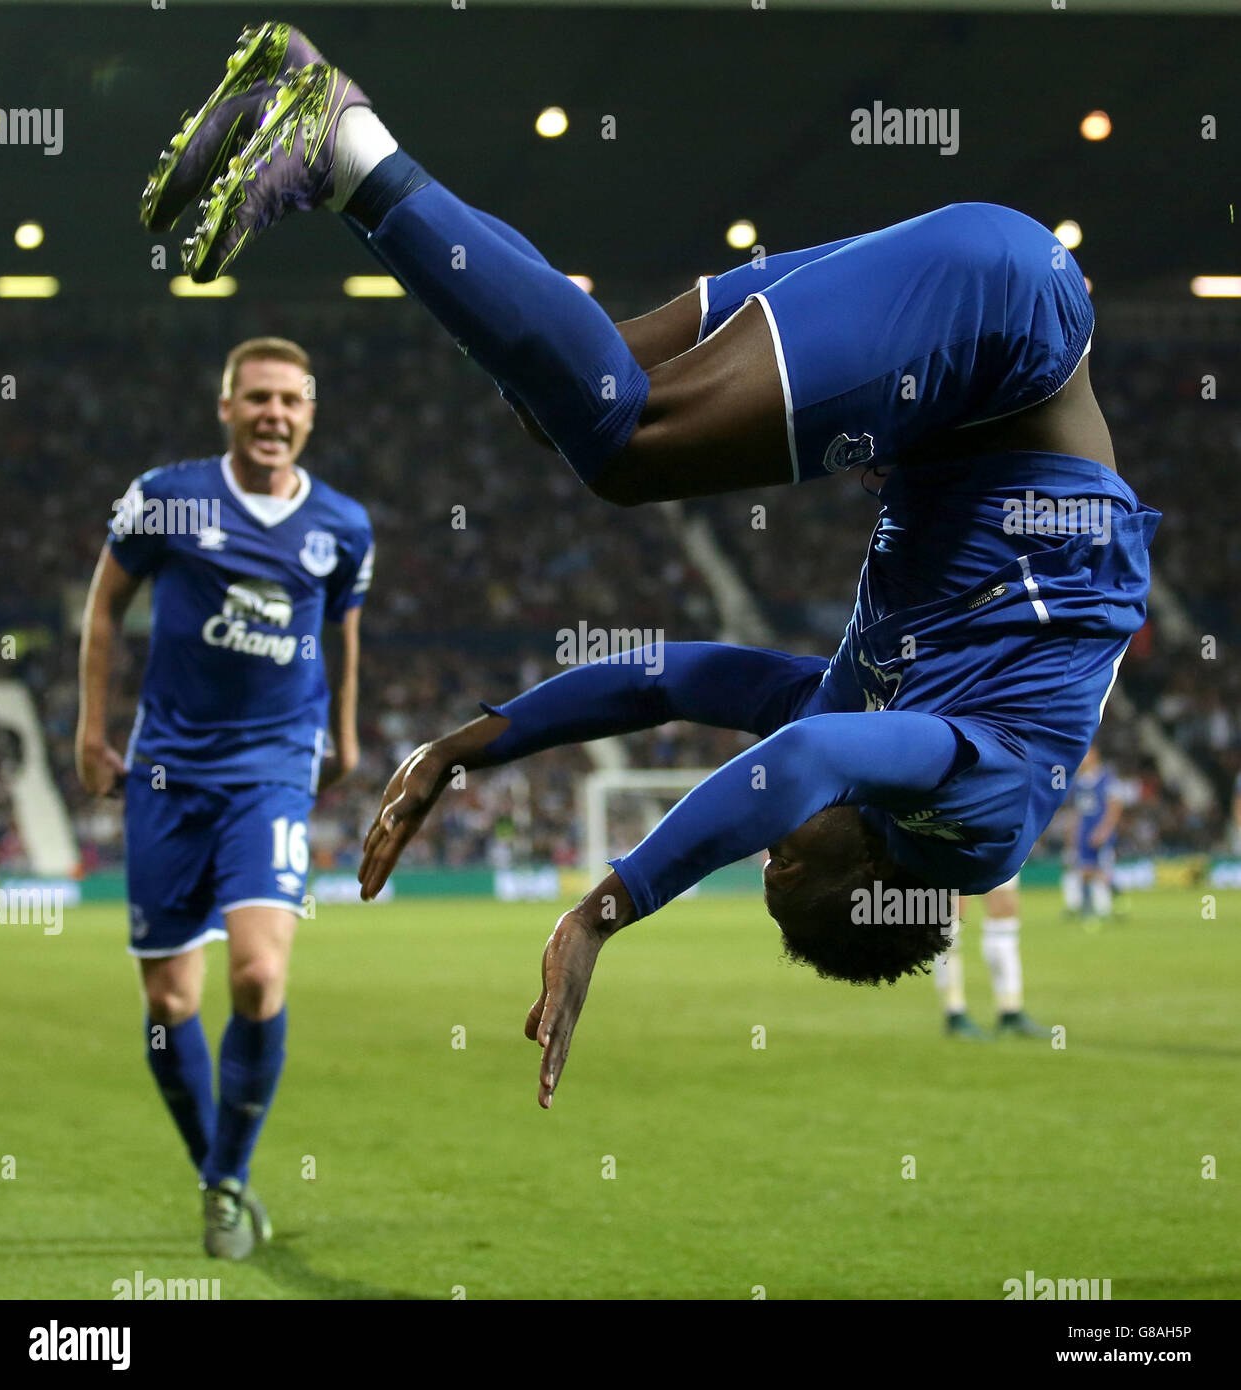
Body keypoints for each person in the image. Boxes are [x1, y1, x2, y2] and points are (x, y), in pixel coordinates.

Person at [140, 24, 1157, 1108]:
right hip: (999, 346)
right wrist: (605, 909)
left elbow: (680, 679)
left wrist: (473, 742)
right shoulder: (975, 819)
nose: (765, 853)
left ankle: (300, 112)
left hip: (967, 346)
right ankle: (344, 146)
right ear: (871, 880)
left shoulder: (882, 746)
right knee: (624, 450)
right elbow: (801, 757)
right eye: (783, 868)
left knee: (572, 400)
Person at [75, 336, 373, 1254]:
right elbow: (102, 610)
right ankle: (219, 1176)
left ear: (310, 414)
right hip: (166, 772)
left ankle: (230, 1176)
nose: (274, 415)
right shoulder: (165, 498)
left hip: (273, 768)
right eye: (257, 400)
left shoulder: (343, 526)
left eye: (290, 400)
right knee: (169, 1005)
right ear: (227, 408)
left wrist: (347, 733)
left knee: (257, 973)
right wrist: (90, 732)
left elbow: (343, 637)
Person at [931, 877, 1051, 1040]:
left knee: (1004, 908)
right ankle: (954, 1012)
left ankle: (1010, 1009)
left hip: (999, 850)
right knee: (951, 913)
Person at [1062, 744, 1124, 920]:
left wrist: (1104, 830)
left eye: (1086, 754)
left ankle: (1112, 902)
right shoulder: (1078, 782)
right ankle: (1087, 907)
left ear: (1095, 755)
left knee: (1101, 869)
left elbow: (1115, 807)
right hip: (1084, 833)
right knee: (1083, 869)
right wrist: (1073, 832)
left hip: (1101, 833)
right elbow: (1076, 812)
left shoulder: (1107, 778)